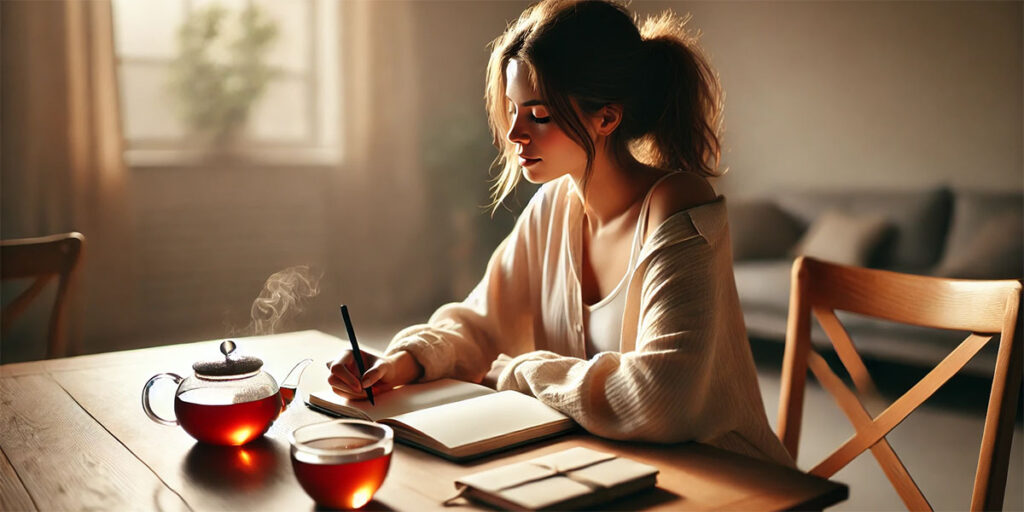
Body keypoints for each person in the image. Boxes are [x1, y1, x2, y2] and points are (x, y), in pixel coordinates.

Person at [329, 0, 793, 466]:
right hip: (605, 463)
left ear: (606, 118)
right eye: (512, 109)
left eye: (539, 114)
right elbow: (481, 320)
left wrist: (521, 371)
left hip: (724, 475)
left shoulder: (678, 206)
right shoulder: (553, 205)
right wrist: (404, 360)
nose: (514, 133)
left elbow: (662, 397)